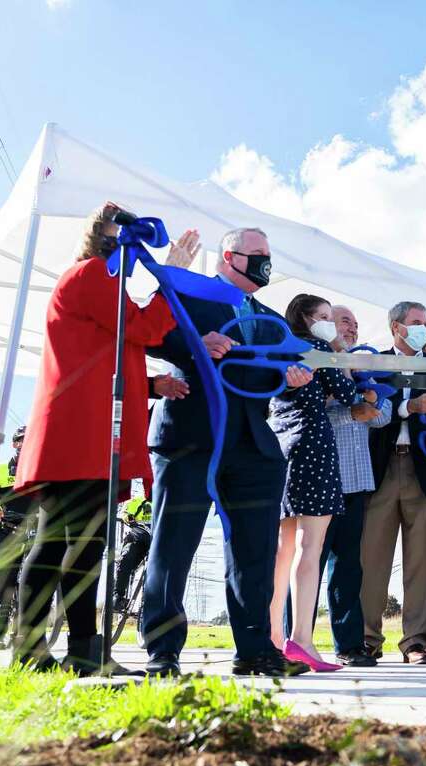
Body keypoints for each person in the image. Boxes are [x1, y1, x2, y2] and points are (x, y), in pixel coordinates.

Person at [13, 202, 212, 675]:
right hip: (81, 435)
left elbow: (102, 354)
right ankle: (80, 652)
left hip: (73, 429)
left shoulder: (87, 281)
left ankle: (40, 650)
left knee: (60, 541)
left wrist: (151, 385)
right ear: (105, 238)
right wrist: (172, 277)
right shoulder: (89, 276)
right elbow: (144, 328)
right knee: (79, 543)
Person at [143, 226, 313, 678]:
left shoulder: (270, 319)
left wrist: (291, 379)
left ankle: (256, 650)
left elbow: (271, 376)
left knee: (255, 551)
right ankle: (163, 650)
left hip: (253, 444)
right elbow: (151, 334)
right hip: (190, 434)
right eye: (256, 253)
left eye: (268, 253)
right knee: (174, 545)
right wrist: (196, 344)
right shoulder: (189, 293)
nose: (264, 262)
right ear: (228, 256)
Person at [268, 294, 374, 672]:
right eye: (324, 316)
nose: (331, 323)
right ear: (306, 318)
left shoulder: (280, 347)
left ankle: (273, 636)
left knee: (283, 550)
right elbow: (349, 396)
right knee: (310, 548)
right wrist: (345, 366)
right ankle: (302, 639)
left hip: (282, 445)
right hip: (314, 444)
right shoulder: (319, 348)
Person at [361, 301, 426, 664]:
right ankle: (366, 640)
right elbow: (370, 412)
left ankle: (416, 640)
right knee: (371, 557)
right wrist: (409, 408)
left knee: (424, 560)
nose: (423, 329)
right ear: (396, 327)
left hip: (425, 470)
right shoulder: (374, 364)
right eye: (417, 322)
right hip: (380, 468)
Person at [307, 305, 389, 667]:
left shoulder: (362, 365)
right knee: (309, 562)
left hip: (356, 480)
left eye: (356, 324)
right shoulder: (316, 361)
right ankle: (297, 641)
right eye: (345, 322)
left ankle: (349, 644)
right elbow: (303, 409)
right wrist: (350, 407)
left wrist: (367, 397)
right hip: (319, 478)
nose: (352, 329)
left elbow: (382, 417)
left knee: (348, 566)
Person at [0, 425, 35, 650]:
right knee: (3, 580)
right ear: (15, 443)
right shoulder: (0, 470)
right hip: (6, 529)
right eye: (22, 439)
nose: (26, 443)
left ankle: (28, 632)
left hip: (34, 530)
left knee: (33, 580)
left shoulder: (38, 469)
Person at [113, 494, 153, 609]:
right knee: (126, 558)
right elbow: (125, 513)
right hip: (139, 536)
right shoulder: (138, 500)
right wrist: (132, 521)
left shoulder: (168, 500)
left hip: (159, 538)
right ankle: (118, 596)